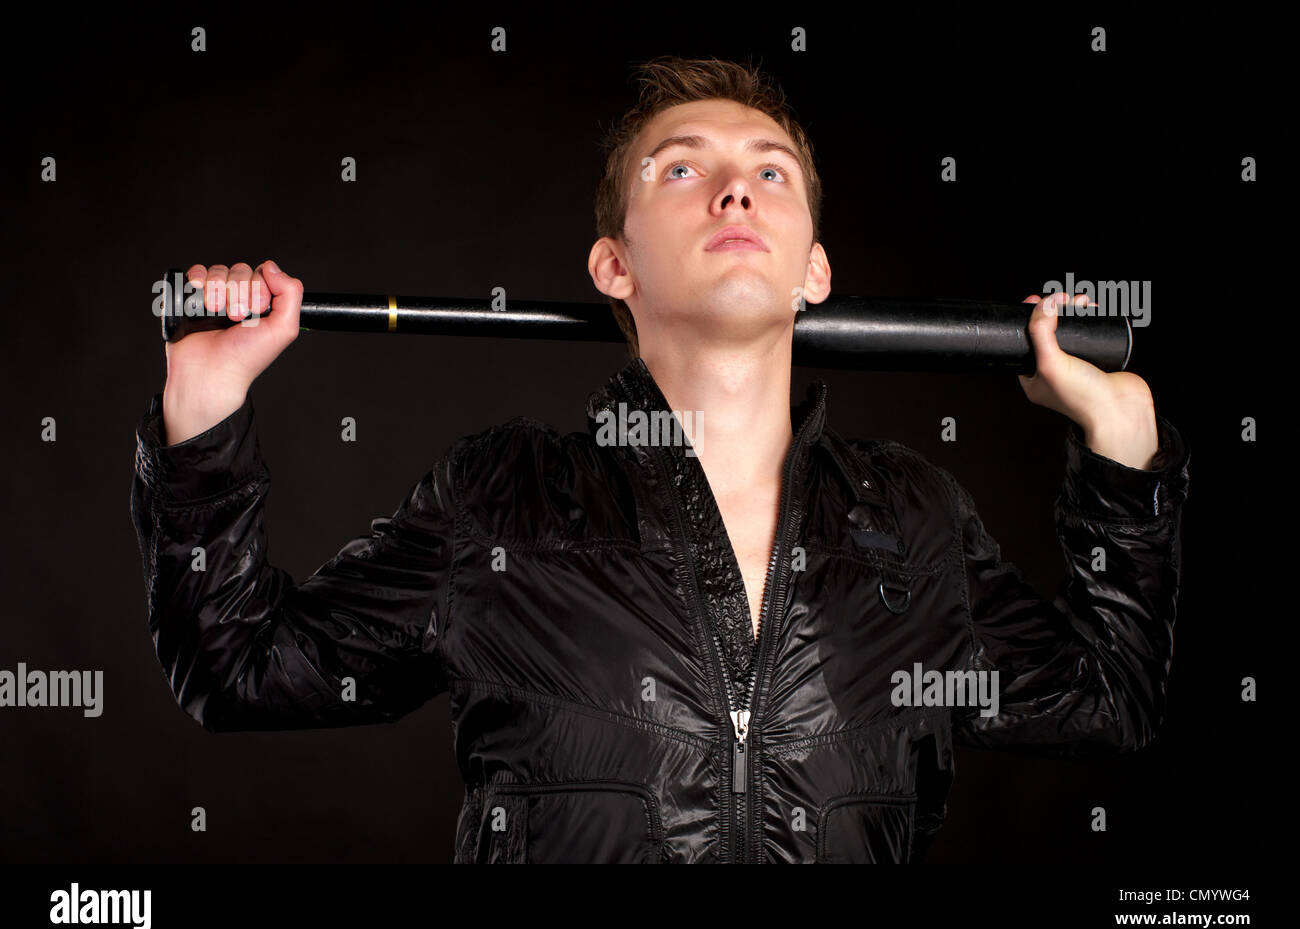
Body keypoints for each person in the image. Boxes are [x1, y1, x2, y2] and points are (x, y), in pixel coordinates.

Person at [130, 56, 1189, 863]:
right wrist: (205, 414)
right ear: (614, 264)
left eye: (768, 172)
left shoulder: (913, 517)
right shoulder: (501, 500)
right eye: (682, 168)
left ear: (814, 269)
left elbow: (1109, 698)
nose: (734, 192)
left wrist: (1123, 447)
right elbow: (238, 666)